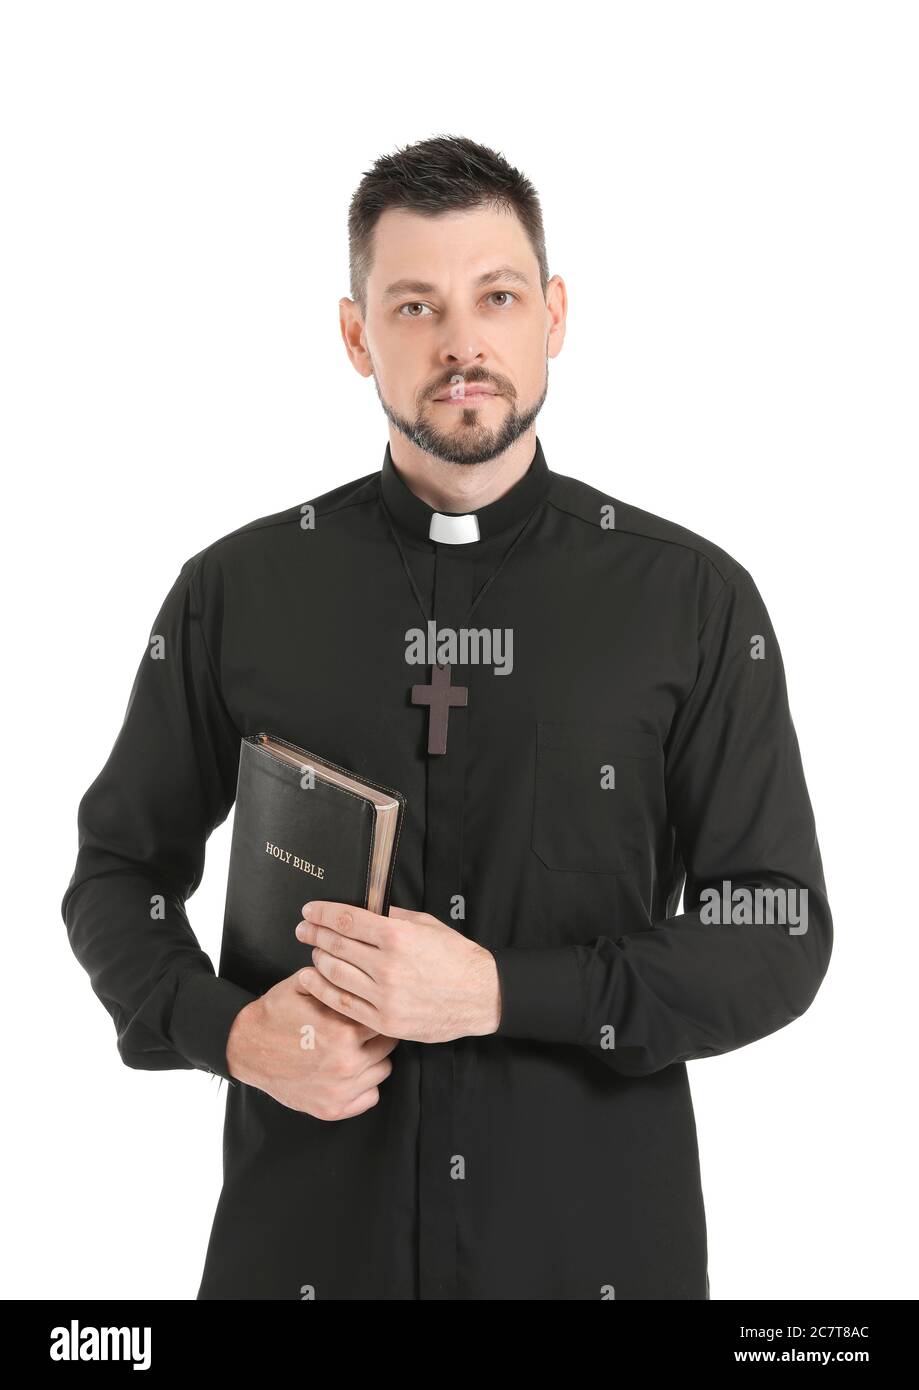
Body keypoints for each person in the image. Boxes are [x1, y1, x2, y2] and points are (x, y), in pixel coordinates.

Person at [62, 133, 833, 1300]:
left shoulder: (690, 599)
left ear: (554, 315)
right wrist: (224, 1031)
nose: (462, 343)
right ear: (356, 334)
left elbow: (774, 934)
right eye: (414, 304)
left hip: (592, 1260)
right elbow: (118, 871)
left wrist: (497, 991)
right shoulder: (240, 589)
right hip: (305, 1255)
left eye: (497, 297)